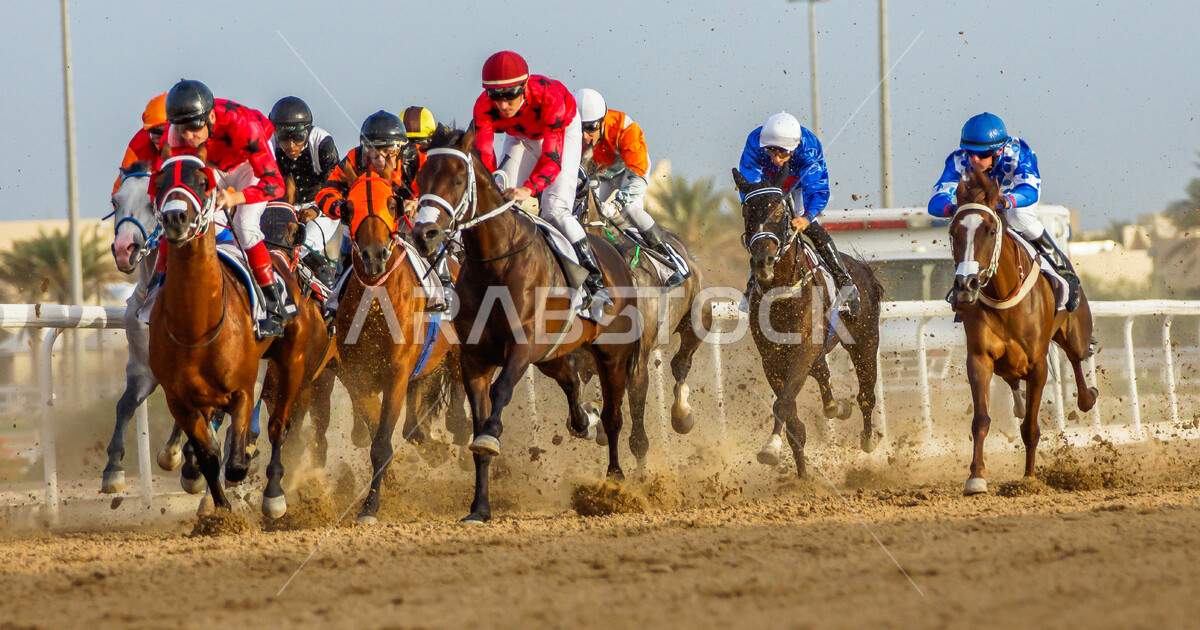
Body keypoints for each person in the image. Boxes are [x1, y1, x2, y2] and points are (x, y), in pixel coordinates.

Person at [471, 50, 612, 310]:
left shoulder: (550, 97)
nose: (503, 105)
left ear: (524, 86)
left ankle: (596, 283)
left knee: (554, 209)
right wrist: (493, 188)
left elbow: (551, 160)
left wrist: (527, 189)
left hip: (562, 131)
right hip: (520, 136)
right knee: (498, 203)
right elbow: (485, 155)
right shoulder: (483, 107)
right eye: (495, 96)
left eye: (510, 95)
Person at [160, 79, 289, 338]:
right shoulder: (172, 136)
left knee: (244, 226)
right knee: (190, 220)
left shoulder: (243, 125)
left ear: (210, 117)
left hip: (248, 165)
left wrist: (235, 198)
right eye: (181, 128)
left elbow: (276, 185)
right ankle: (157, 287)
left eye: (194, 127)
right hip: (212, 166)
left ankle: (274, 306)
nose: (188, 136)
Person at [928, 112, 1081, 311]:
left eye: (982, 154)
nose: (974, 159)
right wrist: (955, 209)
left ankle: (1063, 270)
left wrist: (1005, 202)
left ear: (999, 150)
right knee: (969, 224)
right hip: (980, 203)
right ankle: (964, 284)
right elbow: (935, 202)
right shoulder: (958, 160)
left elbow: (1029, 191)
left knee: (1019, 216)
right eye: (969, 152)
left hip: (1014, 195)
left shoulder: (1019, 153)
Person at [737, 111, 860, 315]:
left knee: (807, 223)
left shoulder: (809, 149)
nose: (776, 159)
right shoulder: (755, 141)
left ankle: (845, 283)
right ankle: (752, 285)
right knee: (762, 229)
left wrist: (807, 218)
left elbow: (818, 189)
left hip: (799, 183)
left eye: (782, 154)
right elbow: (750, 183)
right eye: (771, 152)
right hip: (767, 184)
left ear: (794, 148)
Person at [575, 88, 686, 287]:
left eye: (590, 128)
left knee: (632, 211)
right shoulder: (569, 134)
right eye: (579, 128)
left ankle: (668, 263)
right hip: (600, 174)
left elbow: (638, 178)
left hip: (630, 172)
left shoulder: (626, 128)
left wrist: (616, 204)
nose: (584, 136)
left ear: (602, 122)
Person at [268, 96, 340, 286]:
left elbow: (337, 185)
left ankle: (327, 291)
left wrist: (317, 209)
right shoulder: (269, 144)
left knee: (303, 247)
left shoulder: (322, 142)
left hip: (321, 208)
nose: (290, 145)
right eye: (283, 137)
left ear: (307, 131)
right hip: (283, 208)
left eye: (298, 137)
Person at [112, 93, 168, 193]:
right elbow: (119, 191)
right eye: (157, 137)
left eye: (167, 137)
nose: (162, 145)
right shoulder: (138, 147)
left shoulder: (194, 139)